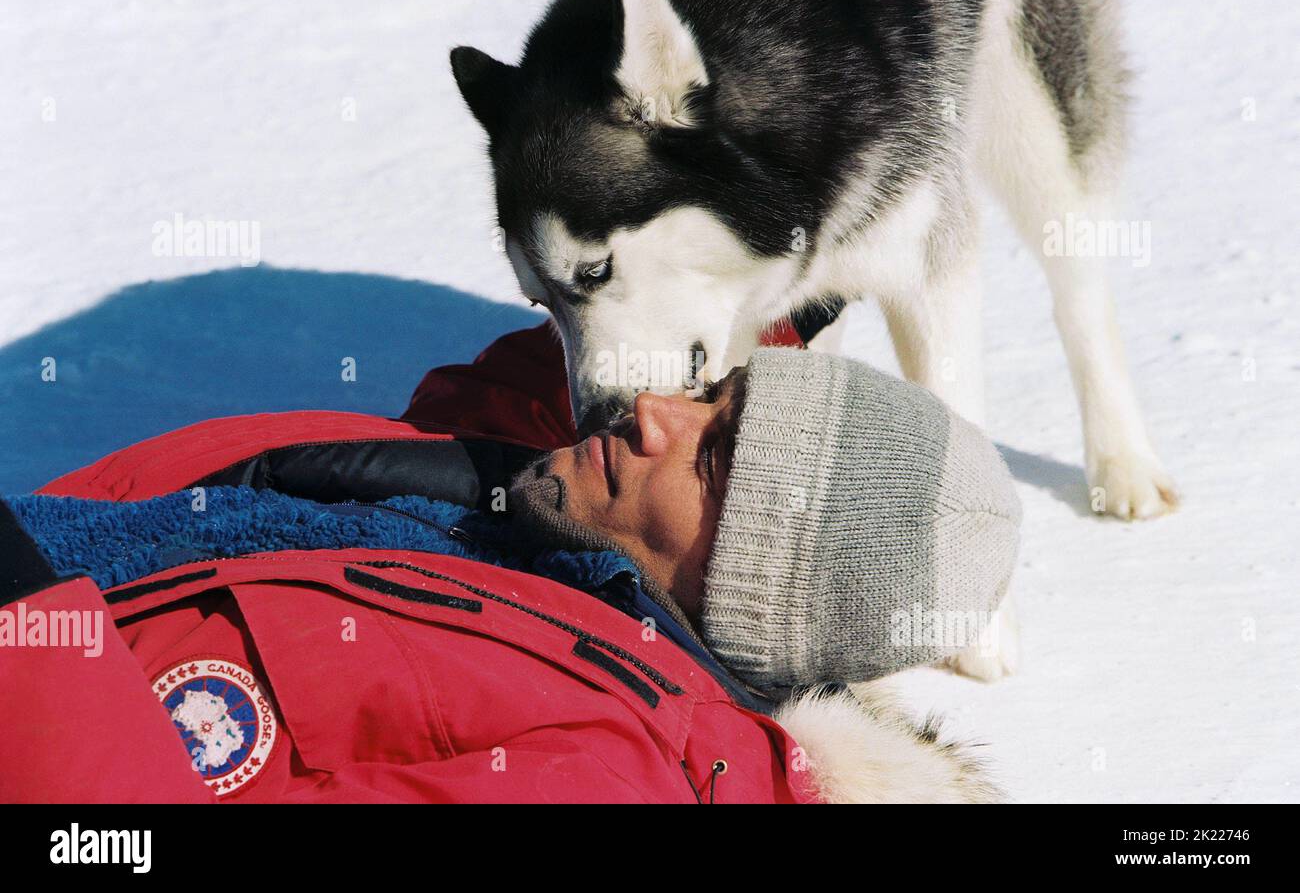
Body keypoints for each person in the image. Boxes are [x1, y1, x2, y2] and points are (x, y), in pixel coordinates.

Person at [0, 325, 1019, 803]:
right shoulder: (545, 532)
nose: (656, 407)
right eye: (715, 386)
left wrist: (25, 633)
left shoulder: (610, 769)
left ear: (758, 576)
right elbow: (546, 361)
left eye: (713, 447)